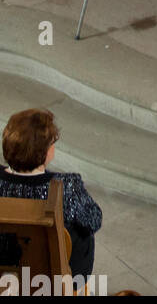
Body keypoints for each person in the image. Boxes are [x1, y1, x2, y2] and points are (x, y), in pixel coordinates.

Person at [0, 108, 102, 278]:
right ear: (46, 152)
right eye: (52, 143)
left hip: (3, 264)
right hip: (50, 273)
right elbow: (94, 220)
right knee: (84, 235)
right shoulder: (66, 187)